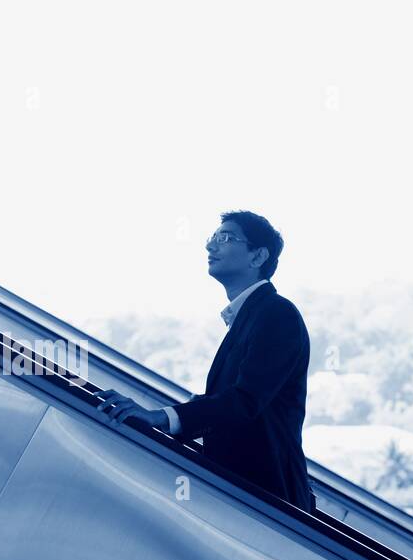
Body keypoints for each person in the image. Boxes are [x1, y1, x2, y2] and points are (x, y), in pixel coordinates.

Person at [97, 210, 315, 511]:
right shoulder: (252, 316)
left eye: (225, 238)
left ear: (257, 256)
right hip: (247, 492)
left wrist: (160, 417)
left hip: (268, 498)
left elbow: (244, 402)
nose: (210, 247)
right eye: (212, 238)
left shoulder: (277, 314)